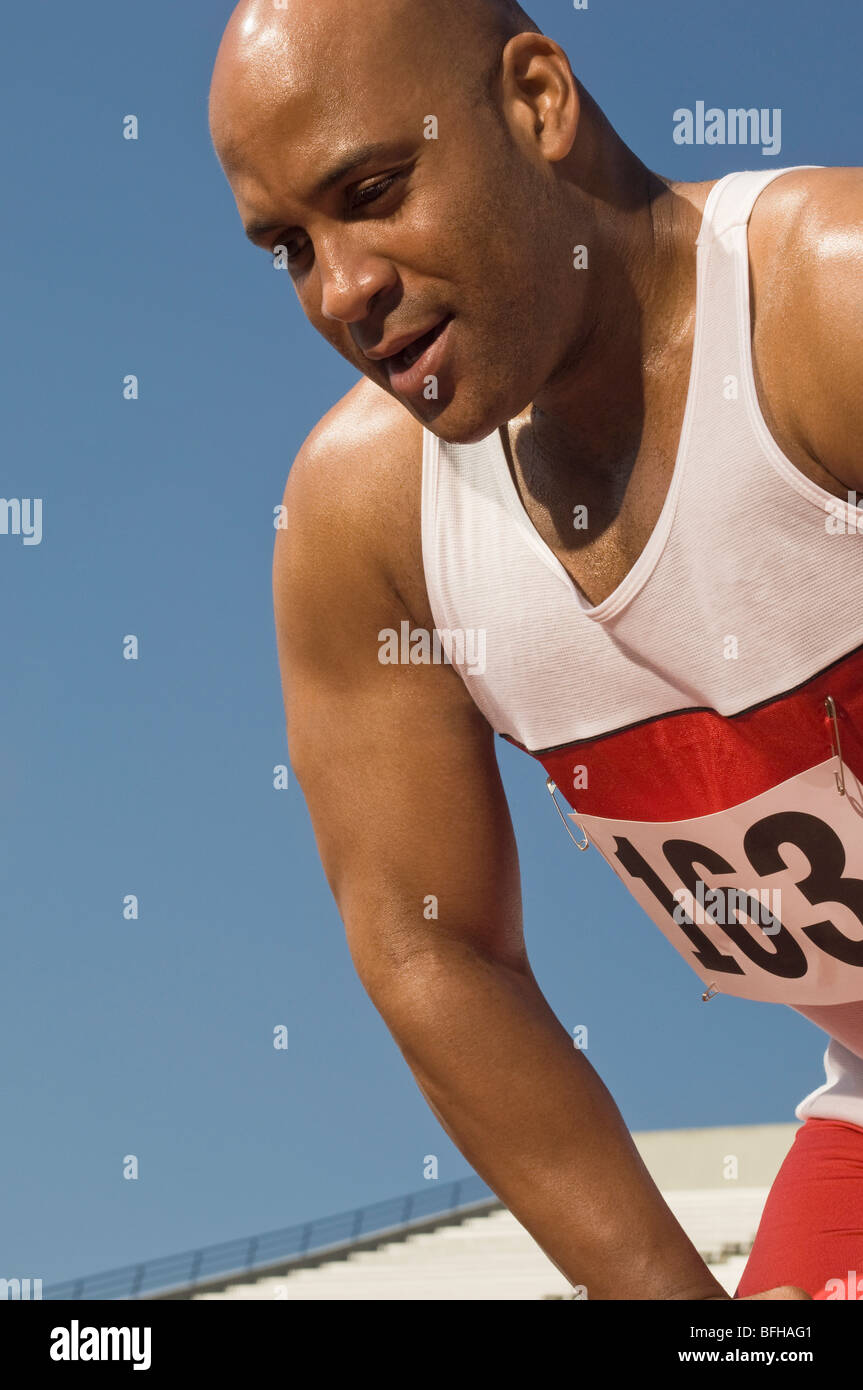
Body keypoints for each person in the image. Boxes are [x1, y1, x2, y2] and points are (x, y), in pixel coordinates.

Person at [209, 0, 863, 1299]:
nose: (342, 289)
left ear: (537, 103)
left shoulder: (829, 311)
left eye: (373, 192)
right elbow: (432, 946)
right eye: (291, 248)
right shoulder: (368, 533)